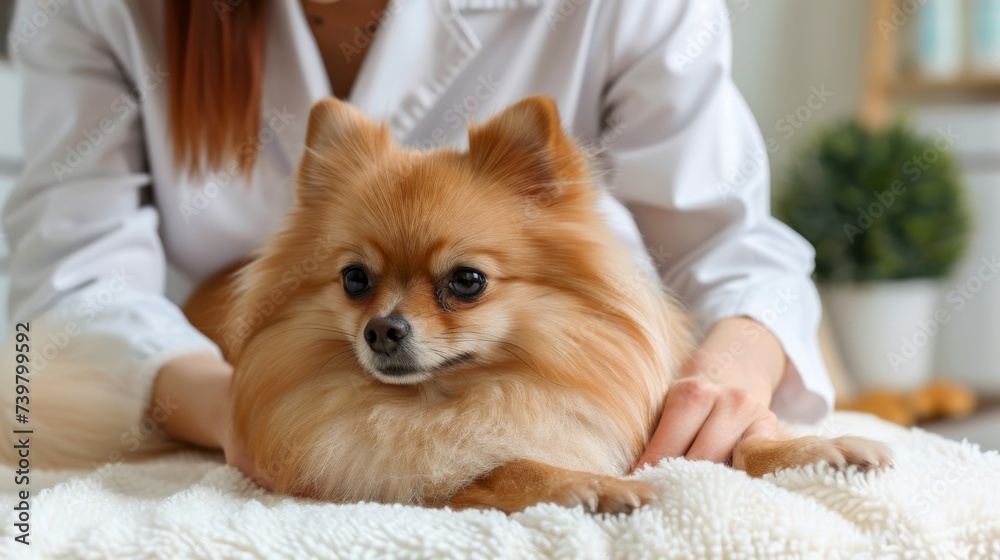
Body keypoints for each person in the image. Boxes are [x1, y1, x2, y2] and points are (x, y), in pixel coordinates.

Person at [1, 0, 833, 478]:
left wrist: (732, 372)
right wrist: (235, 409)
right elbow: (71, 279)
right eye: (363, 286)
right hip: (211, 368)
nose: (392, 318)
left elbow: (725, 242)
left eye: (462, 282)